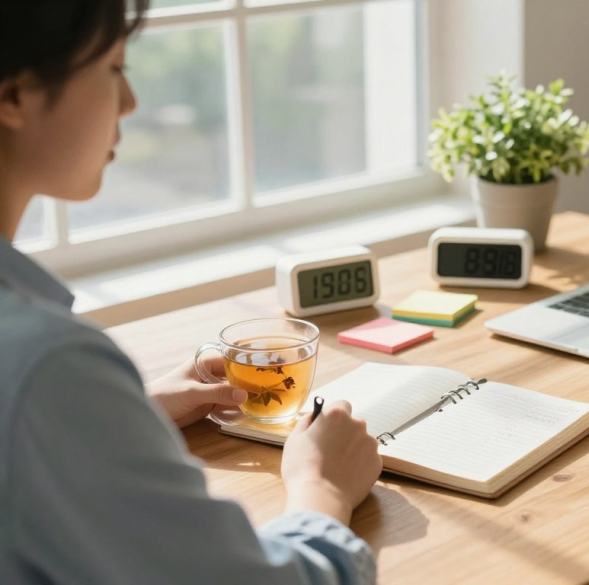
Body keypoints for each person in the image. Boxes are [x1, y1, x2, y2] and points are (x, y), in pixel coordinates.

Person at [0, 1, 384, 583]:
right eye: (112, 68)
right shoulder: (47, 362)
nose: (129, 101)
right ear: (14, 97)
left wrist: (120, 418)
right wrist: (321, 487)